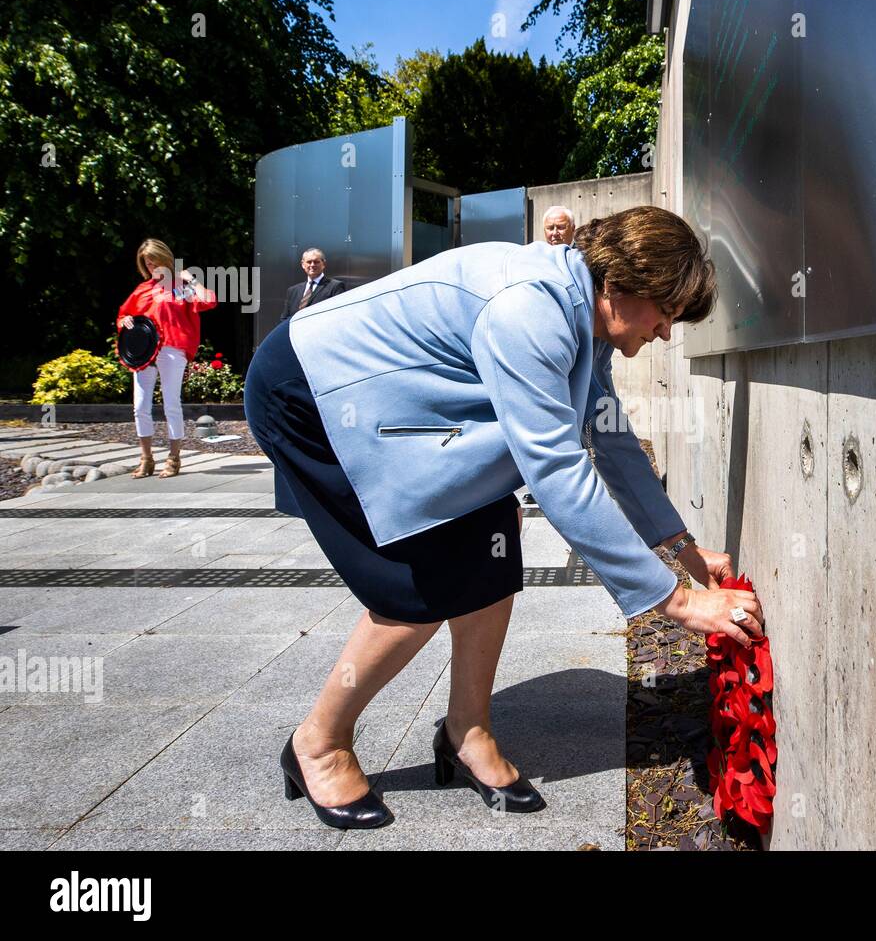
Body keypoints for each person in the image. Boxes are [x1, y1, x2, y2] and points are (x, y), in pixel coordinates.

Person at [244, 205, 765, 830]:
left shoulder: (582, 309)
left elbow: (611, 439)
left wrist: (685, 551)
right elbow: (557, 469)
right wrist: (677, 602)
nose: (665, 334)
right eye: (667, 315)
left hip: (396, 406)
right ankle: (318, 743)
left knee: (494, 538)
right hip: (310, 393)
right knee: (421, 580)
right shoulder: (531, 309)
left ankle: (466, 729)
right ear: (627, 288)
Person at [116, 238, 217, 479]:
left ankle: (173, 458)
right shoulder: (142, 289)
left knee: (171, 403)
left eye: (155, 262)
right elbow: (123, 314)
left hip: (173, 349)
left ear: (165, 260)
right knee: (140, 406)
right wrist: (125, 322)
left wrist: (191, 279)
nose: (152, 267)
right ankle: (146, 458)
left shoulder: (180, 286)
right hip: (144, 352)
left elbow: (209, 301)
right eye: (147, 264)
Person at [279, 247, 345, 322]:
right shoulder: (293, 291)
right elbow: (284, 318)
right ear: (303, 264)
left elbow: (337, 316)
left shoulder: (335, 287)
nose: (312, 265)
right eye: (309, 262)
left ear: (323, 264)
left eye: (316, 262)